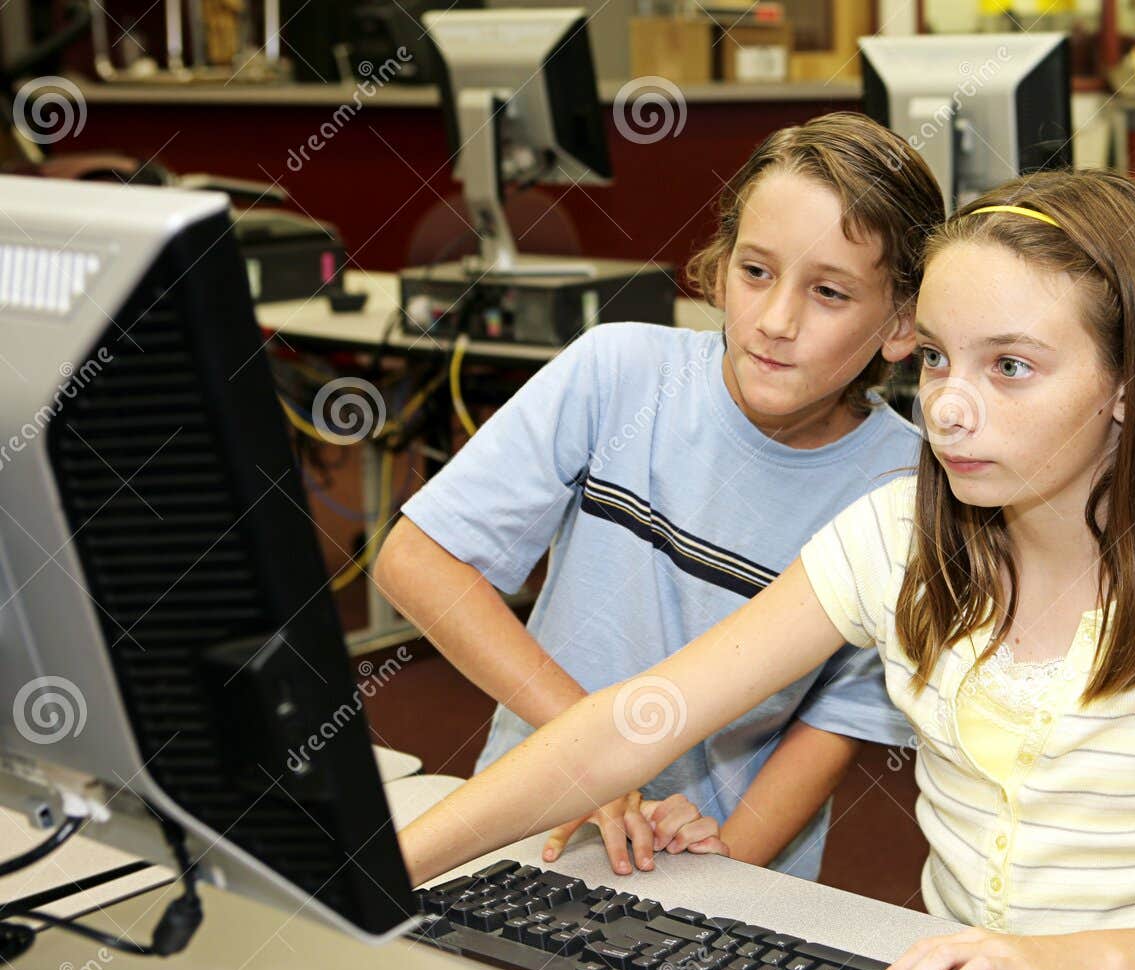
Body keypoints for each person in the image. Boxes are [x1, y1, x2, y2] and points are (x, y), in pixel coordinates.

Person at [399, 169, 1135, 970]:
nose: (949, 404)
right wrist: (388, 862)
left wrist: (1091, 959)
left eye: (1011, 366)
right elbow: (633, 722)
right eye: (940, 358)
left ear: (1127, 380)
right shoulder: (895, 539)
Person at [376, 113, 943, 879]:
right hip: (526, 817)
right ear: (719, 266)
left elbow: (835, 726)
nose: (776, 322)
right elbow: (415, 560)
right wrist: (591, 754)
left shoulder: (905, 486)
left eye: (830, 292)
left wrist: (727, 860)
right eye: (756, 272)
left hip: (716, 850)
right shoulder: (620, 373)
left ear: (902, 323)